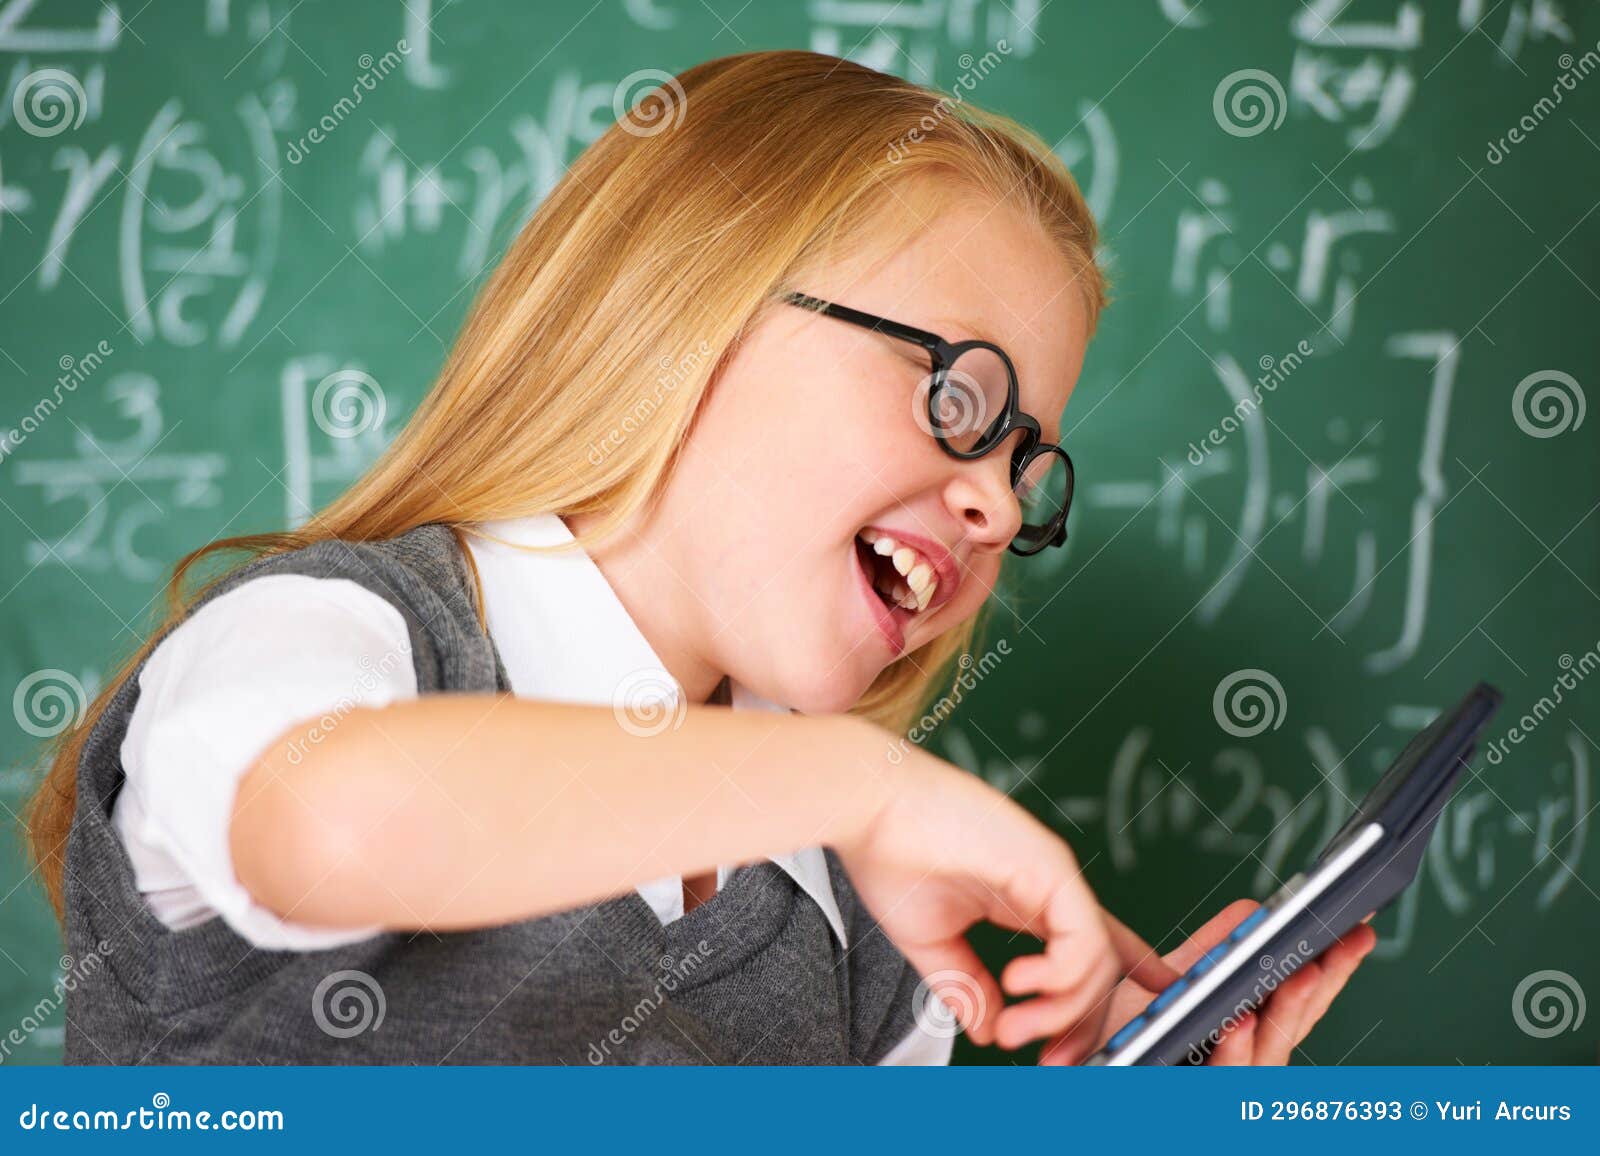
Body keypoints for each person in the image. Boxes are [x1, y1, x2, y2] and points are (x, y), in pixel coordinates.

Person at [26, 50, 1373, 1065]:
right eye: (960, 400)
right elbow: (329, 821)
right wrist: (860, 788)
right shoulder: (336, 638)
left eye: (1028, 466)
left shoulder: (870, 927)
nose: (1004, 512)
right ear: (691, 305)